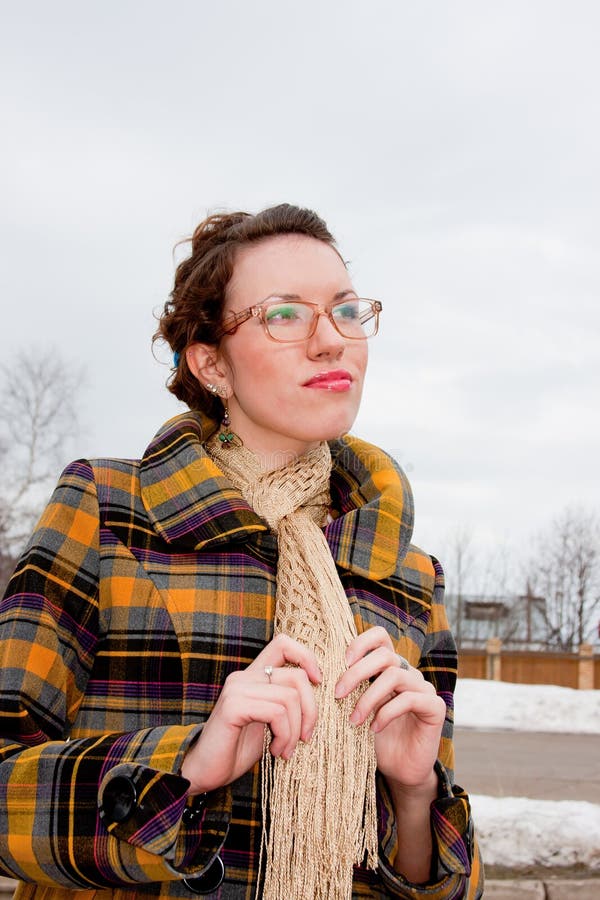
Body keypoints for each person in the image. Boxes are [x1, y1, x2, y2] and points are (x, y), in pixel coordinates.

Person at [0, 204, 483, 899]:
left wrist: (414, 793)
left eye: (346, 310)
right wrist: (188, 766)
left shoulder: (405, 571)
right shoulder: (109, 511)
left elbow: (436, 884)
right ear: (210, 363)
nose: (331, 341)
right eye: (285, 315)